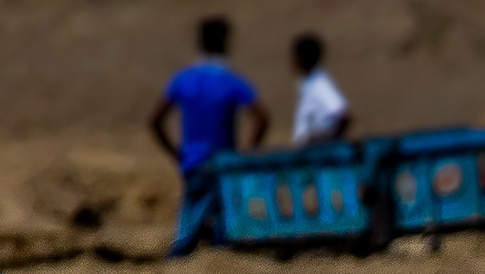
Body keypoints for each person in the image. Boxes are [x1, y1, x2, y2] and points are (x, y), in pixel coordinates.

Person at [150, 15, 268, 257]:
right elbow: (261, 117)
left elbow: (155, 121)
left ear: (200, 42)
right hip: (224, 164)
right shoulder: (231, 81)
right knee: (223, 230)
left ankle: (179, 263)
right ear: (226, 42)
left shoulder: (183, 80)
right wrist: (245, 156)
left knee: (188, 230)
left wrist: (176, 153)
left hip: (194, 162)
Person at [289, 32, 351, 149]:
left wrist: (325, 141)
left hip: (317, 158)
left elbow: (343, 115)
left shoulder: (319, 84)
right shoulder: (306, 83)